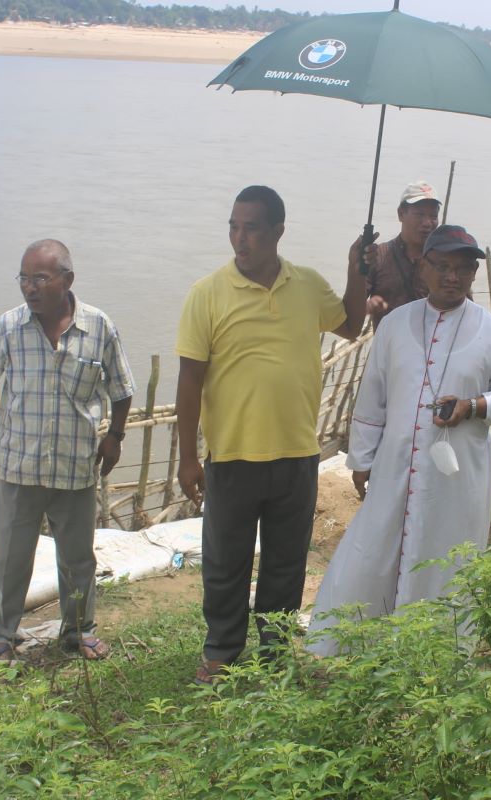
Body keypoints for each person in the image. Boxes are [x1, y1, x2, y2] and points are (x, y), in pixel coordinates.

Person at [176, 185, 367, 684]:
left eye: (252, 227)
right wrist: (187, 459)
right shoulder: (207, 293)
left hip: (297, 452)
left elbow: (349, 325)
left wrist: (355, 270)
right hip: (233, 454)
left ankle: (276, 651)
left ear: (278, 230)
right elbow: (190, 379)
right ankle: (222, 649)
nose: (241, 238)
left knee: (286, 560)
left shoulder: (305, 285)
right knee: (226, 561)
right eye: (234, 227)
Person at [306, 225, 491, 655]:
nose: (452, 277)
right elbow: (373, 398)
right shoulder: (395, 325)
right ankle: (352, 642)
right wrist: (362, 460)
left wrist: (474, 406)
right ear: (422, 267)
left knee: (447, 552)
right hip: (393, 465)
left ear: (474, 275)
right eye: (442, 266)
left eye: (462, 269)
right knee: (372, 549)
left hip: (456, 473)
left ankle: (439, 649)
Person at [0, 239, 136, 661]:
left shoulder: (98, 327)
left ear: (67, 280)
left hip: (74, 466)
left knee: (77, 558)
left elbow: (122, 387)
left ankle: (78, 631)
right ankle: (1, 636)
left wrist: (116, 436)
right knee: (9, 557)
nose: (30, 288)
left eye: (40, 278)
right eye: (24, 278)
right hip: (20, 466)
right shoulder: (8, 328)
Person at [363, 181, 441, 328]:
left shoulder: (444, 260)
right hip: (390, 348)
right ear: (401, 214)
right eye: (420, 215)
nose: (427, 223)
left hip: (434, 347)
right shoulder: (378, 256)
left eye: (433, 216)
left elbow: (464, 309)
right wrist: (368, 306)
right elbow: (351, 311)